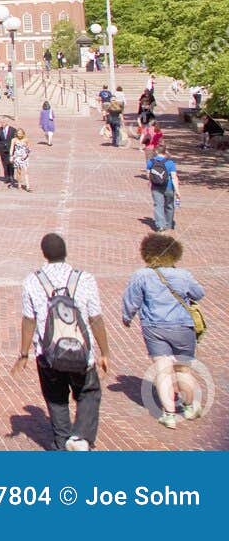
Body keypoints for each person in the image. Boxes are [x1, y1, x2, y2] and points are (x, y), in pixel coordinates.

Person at [13, 232, 110, 451]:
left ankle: (62, 442)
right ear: (66, 252)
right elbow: (95, 318)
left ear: (44, 254)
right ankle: (81, 437)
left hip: (48, 354)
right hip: (81, 352)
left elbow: (29, 320)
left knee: (56, 400)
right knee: (88, 392)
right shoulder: (84, 278)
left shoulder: (32, 280)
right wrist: (104, 351)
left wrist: (24, 353)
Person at [122, 233, 207, 429]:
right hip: (183, 327)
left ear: (147, 253)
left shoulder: (141, 275)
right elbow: (199, 294)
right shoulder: (183, 275)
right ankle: (189, 406)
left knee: (162, 369)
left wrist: (127, 318)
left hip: (154, 327)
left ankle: (168, 415)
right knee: (183, 369)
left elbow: (131, 301)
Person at [145, 146, 179, 231]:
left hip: (156, 186)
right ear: (165, 152)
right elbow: (174, 177)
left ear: (156, 151)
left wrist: (150, 181)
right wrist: (177, 191)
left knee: (158, 205)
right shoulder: (170, 163)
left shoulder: (151, 162)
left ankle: (160, 225)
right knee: (169, 205)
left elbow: (148, 174)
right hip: (169, 186)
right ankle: (168, 223)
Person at [10, 127, 32, 192]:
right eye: (18, 133)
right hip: (17, 157)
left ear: (23, 134)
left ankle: (28, 186)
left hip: (24, 157)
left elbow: (28, 148)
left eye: (20, 133)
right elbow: (11, 148)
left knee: (26, 172)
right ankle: (19, 184)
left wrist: (27, 155)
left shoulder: (26, 140)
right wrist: (11, 156)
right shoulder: (14, 140)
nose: (19, 135)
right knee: (19, 171)